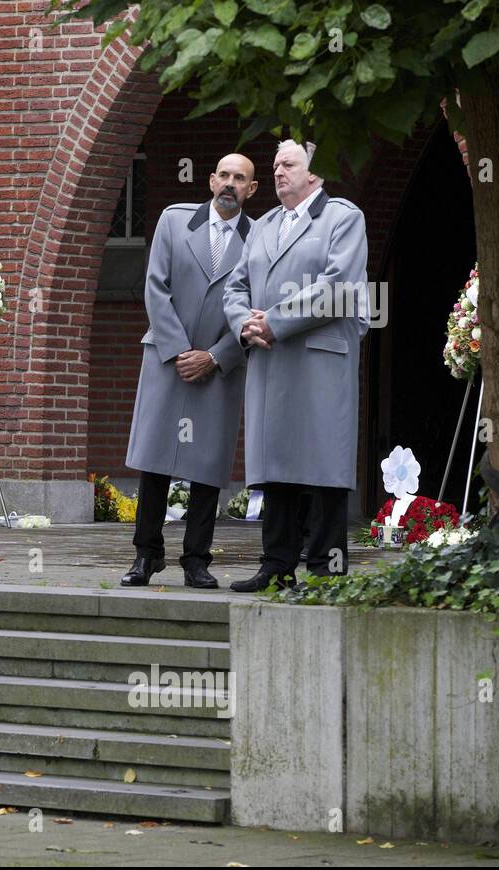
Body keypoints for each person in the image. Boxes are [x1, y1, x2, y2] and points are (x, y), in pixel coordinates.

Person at [223, 140, 370, 591]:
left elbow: (340, 284)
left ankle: (327, 567)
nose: (278, 172)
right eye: (274, 165)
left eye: (288, 164)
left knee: (324, 463)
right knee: (276, 464)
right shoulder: (265, 224)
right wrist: (244, 323)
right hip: (271, 360)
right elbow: (236, 286)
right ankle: (276, 565)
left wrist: (277, 322)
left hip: (319, 359)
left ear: (315, 173)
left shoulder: (343, 218)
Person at [121, 154, 258, 588]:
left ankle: (196, 560)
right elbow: (155, 285)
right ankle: (146, 555)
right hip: (167, 356)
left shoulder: (260, 239)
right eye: (224, 175)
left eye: (240, 179)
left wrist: (216, 356)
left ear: (251, 190)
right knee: (155, 459)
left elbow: (256, 309)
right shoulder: (174, 221)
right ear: (211, 179)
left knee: (207, 465)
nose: (230, 184)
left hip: (220, 365)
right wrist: (181, 350)